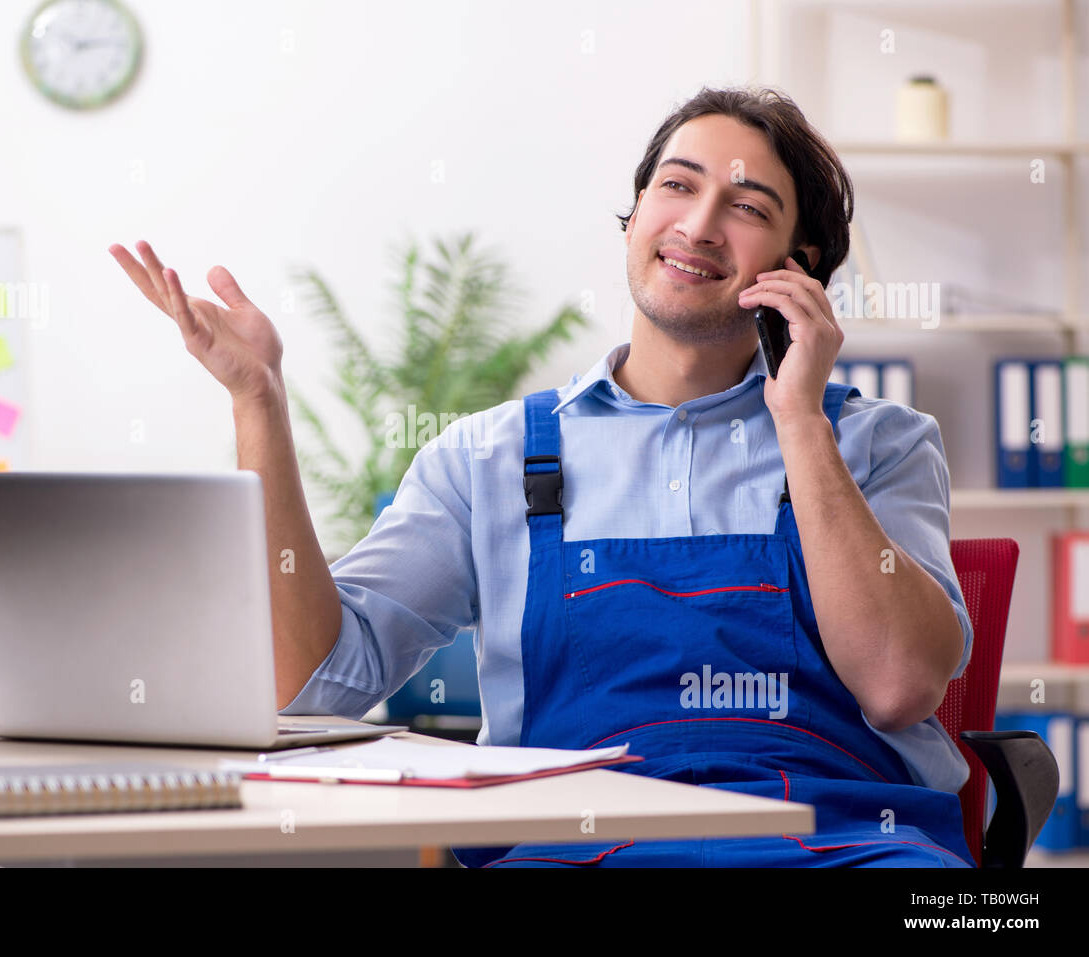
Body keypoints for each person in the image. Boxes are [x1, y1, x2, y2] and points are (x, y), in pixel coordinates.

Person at [109, 85, 976, 868]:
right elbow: (307, 681)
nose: (700, 223)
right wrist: (258, 404)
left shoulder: (877, 444)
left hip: (847, 844)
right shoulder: (486, 459)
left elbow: (899, 685)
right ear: (635, 214)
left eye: (746, 206)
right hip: (575, 853)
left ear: (801, 266)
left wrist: (800, 420)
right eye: (677, 185)